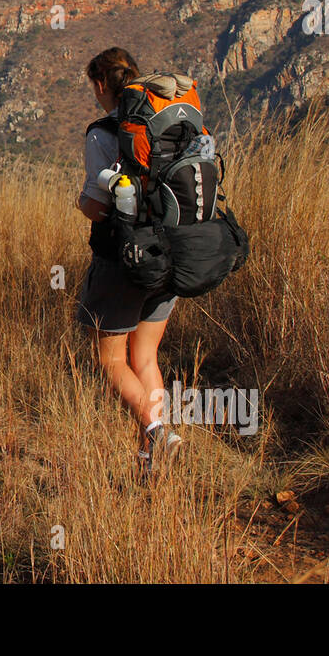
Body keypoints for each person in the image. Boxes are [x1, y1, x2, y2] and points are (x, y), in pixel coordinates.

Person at [76, 47, 183, 476]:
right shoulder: (170, 123)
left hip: (123, 259)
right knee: (147, 359)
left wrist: (82, 202)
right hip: (173, 255)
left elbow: (100, 207)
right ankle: (150, 460)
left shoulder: (103, 133)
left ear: (101, 84)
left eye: (93, 87)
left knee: (111, 361)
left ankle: (156, 431)